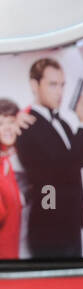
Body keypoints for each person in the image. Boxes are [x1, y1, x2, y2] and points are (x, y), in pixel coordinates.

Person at [14, 58, 83, 258]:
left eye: (62, 85)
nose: (60, 92)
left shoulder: (64, 124)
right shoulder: (26, 125)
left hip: (71, 224)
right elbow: (60, 169)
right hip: (48, 227)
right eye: (53, 84)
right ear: (35, 85)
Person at [0, 98, 25, 260]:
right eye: (1, 123)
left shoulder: (25, 161)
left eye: (12, 122)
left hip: (24, 254)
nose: (7, 128)